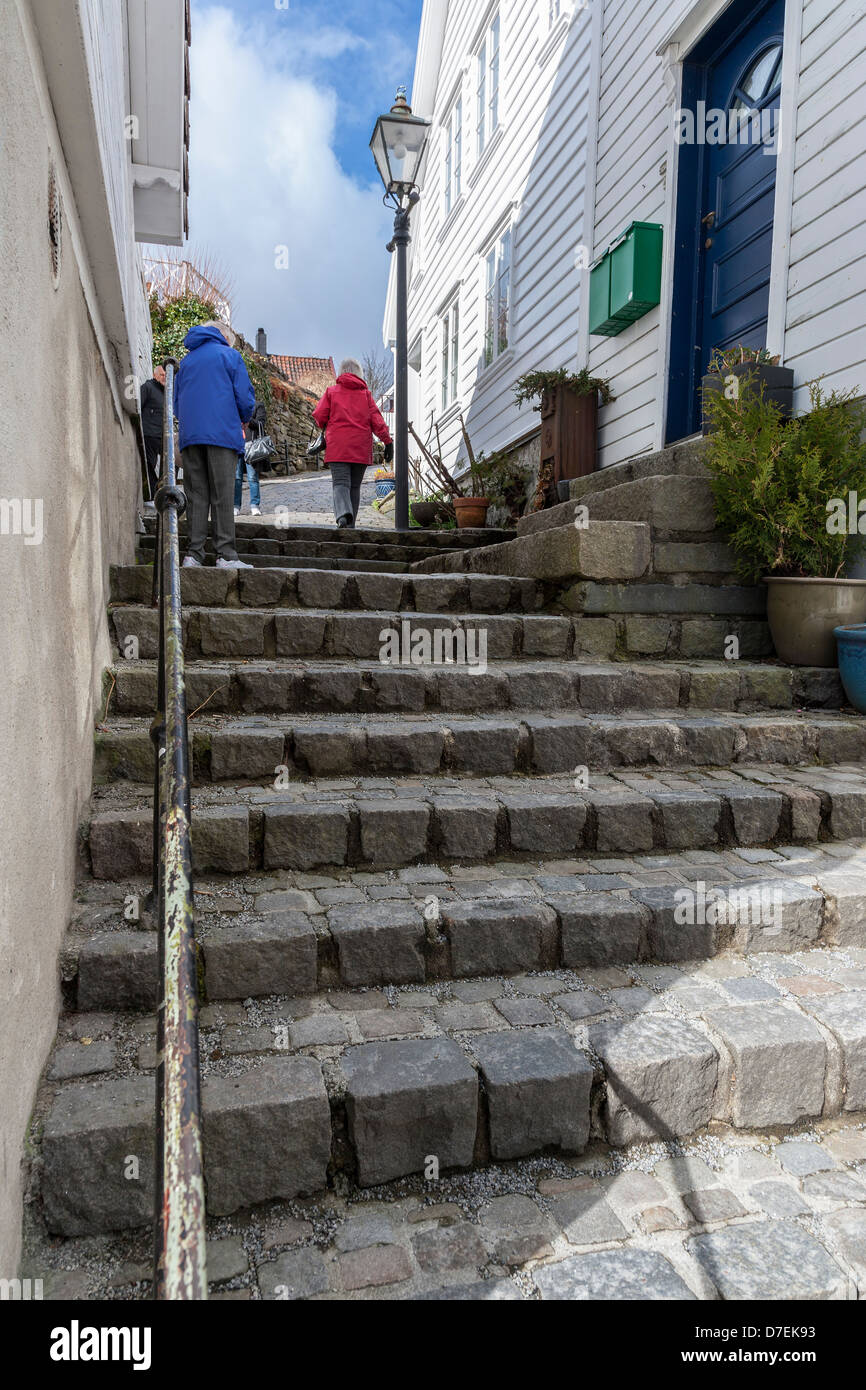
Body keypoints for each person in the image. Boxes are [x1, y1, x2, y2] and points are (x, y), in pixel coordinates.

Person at [175, 320, 256, 569]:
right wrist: (244, 418)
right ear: (223, 336)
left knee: (196, 495)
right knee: (222, 494)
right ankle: (226, 555)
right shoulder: (229, 356)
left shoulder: (186, 362)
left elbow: (176, 402)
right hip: (221, 434)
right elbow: (245, 397)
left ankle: (194, 554)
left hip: (191, 436)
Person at [313, 357, 393, 528]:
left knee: (340, 483)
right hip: (360, 448)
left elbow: (319, 415)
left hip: (338, 447)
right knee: (354, 487)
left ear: (342, 372)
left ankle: (343, 515)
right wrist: (388, 442)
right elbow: (377, 421)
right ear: (359, 374)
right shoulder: (366, 395)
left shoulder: (331, 392)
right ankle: (351, 525)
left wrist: (324, 425)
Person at [139, 365, 166, 502]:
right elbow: (139, 408)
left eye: (166, 375)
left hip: (162, 435)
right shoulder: (148, 387)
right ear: (155, 375)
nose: (164, 377)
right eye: (161, 375)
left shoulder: (166, 392)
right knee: (150, 463)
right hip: (149, 434)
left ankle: (161, 485)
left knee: (172, 459)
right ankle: (151, 493)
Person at [234, 398, 264, 517]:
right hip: (236, 445)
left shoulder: (258, 405)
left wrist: (247, 418)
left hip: (251, 446)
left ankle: (254, 506)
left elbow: (261, 424)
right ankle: (235, 506)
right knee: (236, 478)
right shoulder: (234, 406)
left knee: (252, 477)